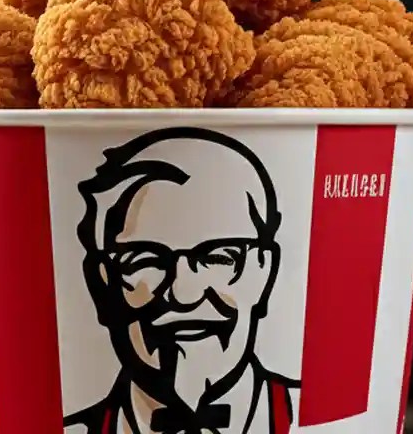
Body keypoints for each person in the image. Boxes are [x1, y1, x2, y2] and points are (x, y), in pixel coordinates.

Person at [64, 128, 298, 434]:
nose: (184, 293)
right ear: (101, 285)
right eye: (145, 260)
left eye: (220, 258)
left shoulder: (328, 420)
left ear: (265, 271)